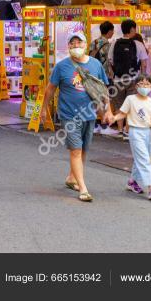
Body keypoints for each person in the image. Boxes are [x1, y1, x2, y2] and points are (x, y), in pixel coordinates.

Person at [41, 33, 109, 203]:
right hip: (69, 115)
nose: (76, 45)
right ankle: (83, 188)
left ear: (85, 44)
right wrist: (43, 109)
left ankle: (72, 178)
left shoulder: (96, 64)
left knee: (83, 149)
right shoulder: (61, 67)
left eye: (79, 42)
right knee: (76, 150)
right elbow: (50, 89)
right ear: (68, 47)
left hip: (89, 114)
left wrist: (107, 110)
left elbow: (103, 89)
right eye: (72, 43)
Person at [105, 74, 151, 200]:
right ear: (136, 86)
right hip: (135, 131)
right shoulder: (130, 99)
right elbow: (123, 113)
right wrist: (114, 118)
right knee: (144, 159)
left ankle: (132, 182)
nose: (144, 86)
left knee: (142, 158)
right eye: (141, 84)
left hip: (148, 132)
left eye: (147, 84)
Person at [108, 19, 150, 139]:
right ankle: (128, 130)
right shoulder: (138, 44)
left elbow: (110, 61)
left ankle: (120, 130)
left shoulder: (114, 43)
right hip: (133, 79)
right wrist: (143, 78)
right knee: (131, 105)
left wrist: (113, 75)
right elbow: (144, 64)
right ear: (132, 29)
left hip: (118, 80)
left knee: (119, 105)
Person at [89, 21, 115, 136]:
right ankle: (104, 125)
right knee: (106, 100)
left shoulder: (94, 42)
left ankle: (94, 125)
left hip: (93, 75)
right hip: (105, 76)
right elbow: (110, 62)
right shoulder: (108, 45)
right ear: (109, 31)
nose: (113, 33)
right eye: (112, 31)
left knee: (95, 100)